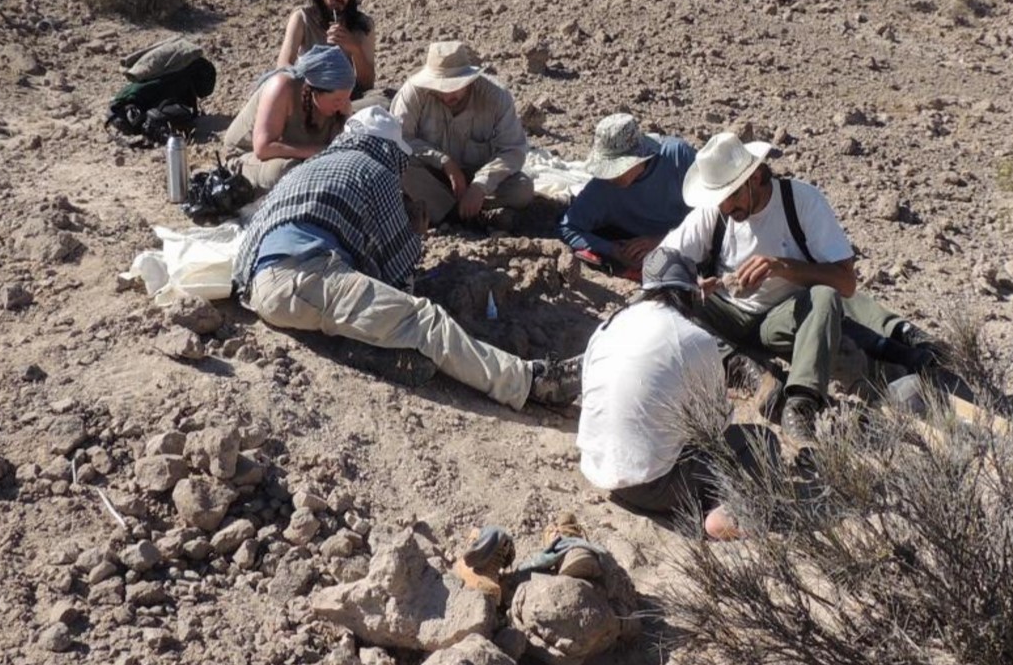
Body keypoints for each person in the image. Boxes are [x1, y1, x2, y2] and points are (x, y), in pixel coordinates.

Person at [233, 107, 582, 411]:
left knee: (366, 311)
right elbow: (397, 277)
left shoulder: (311, 166)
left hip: (265, 283)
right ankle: (529, 382)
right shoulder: (375, 170)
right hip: (301, 280)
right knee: (426, 321)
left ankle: (365, 349)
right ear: (388, 148)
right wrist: (414, 233)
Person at [660, 132, 938, 438]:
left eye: (732, 196)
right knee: (667, 294)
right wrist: (694, 281)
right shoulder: (715, 212)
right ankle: (740, 366)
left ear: (755, 178)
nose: (726, 207)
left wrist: (782, 268)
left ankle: (801, 403)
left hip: (783, 320)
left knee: (824, 297)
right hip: (728, 314)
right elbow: (661, 262)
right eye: (720, 198)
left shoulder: (801, 202)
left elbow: (845, 283)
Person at [576, 249, 777, 540]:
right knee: (760, 442)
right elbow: (712, 428)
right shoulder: (693, 338)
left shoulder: (609, 326)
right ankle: (733, 512)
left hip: (598, 468)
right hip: (653, 486)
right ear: (690, 294)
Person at [391, 40, 535, 226]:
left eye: (453, 87)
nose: (446, 95)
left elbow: (512, 150)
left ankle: (453, 210)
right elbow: (398, 139)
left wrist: (480, 185)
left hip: (479, 175)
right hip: (432, 176)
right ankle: (460, 215)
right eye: (439, 88)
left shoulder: (496, 97)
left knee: (522, 189)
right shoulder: (414, 93)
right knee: (399, 165)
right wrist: (443, 161)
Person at [560, 113, 697, 277]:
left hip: (689, 242)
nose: (611, 176)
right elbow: (567, 228)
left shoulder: (678, 157)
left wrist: (663, 240)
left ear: (639, 158)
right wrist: (614, 251)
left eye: (617, 169)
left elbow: (713, 212)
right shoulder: (603, 186)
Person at [221, 44, 354, 195]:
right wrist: (319, 152)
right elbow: (263, 149)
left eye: (346, 98)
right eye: (337, 100)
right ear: (315, 91)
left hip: (298, 155)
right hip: (246, 156)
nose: (343, 104)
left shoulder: (340, 106)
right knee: (287, 172)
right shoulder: (281, 88)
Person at [276, 0, 376, 97]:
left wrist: (355, 49)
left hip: (346, 99)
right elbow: (283, 67)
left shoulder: (364, 25)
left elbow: (367, 85)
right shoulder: (302, 19)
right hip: (308, 96)